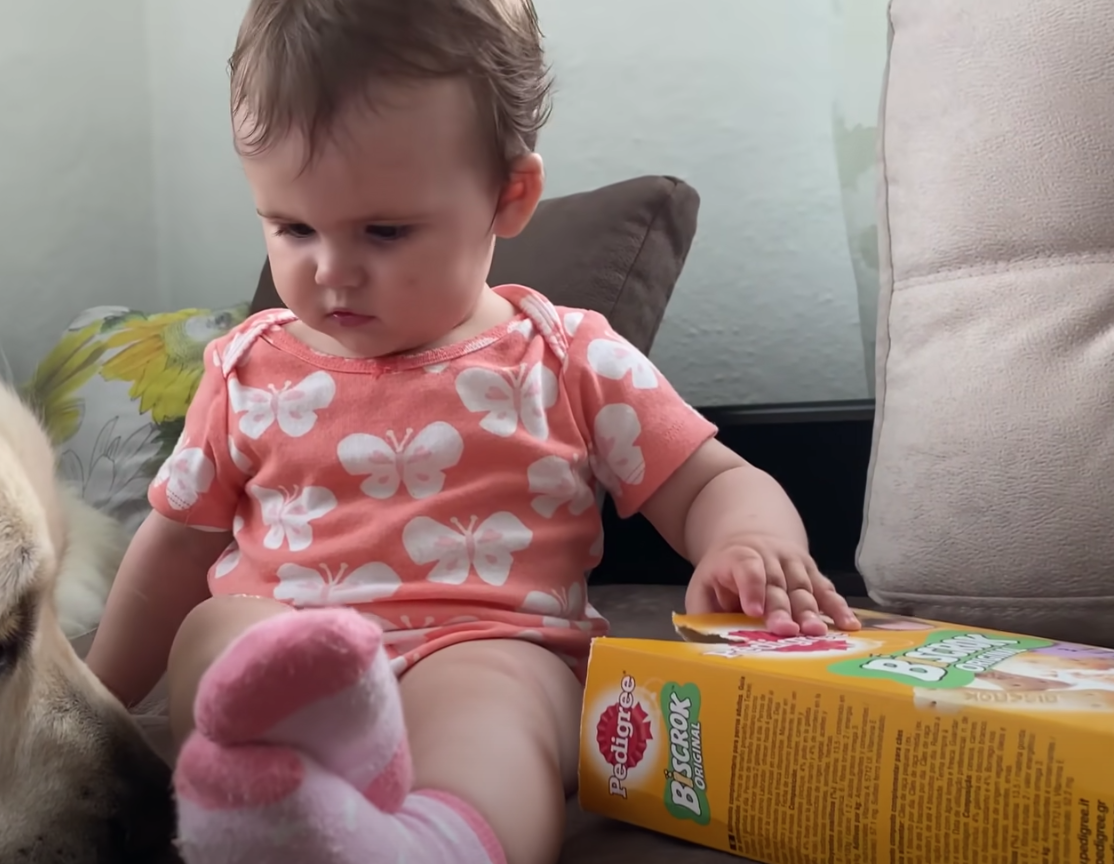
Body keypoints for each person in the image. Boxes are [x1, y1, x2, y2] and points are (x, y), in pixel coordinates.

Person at [85, 1, 862, 861]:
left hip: (486, 641)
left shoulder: (566, 356)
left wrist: (750, 542)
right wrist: (90, 703)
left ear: (509, 195)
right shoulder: (245, 369)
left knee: (503, 698)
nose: (331, 270)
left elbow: (711, 480)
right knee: (219, 633)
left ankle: (436, 841)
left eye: (385, 230)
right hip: (293, 641)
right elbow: (172, 551)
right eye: (293, 227)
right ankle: (285, 802)